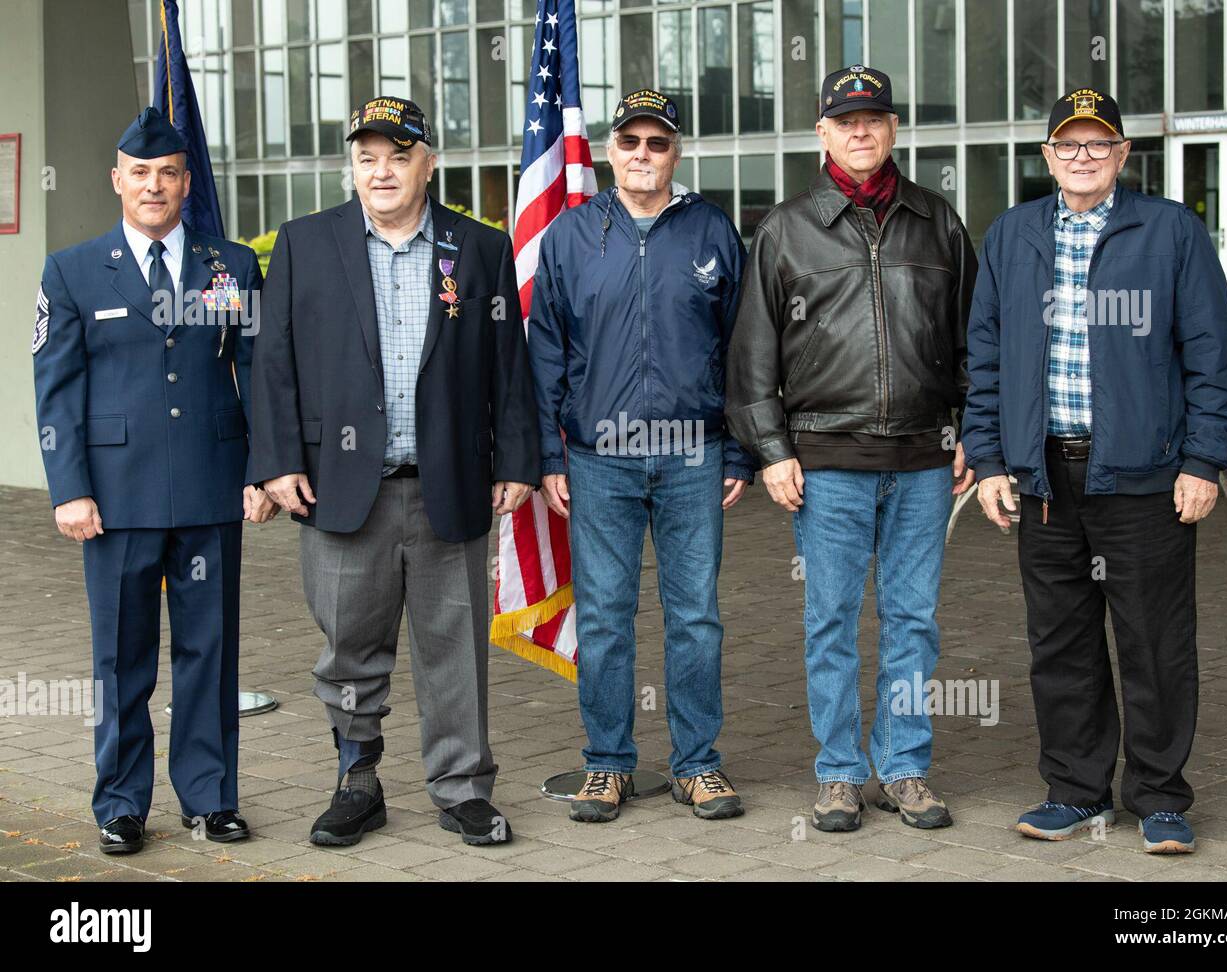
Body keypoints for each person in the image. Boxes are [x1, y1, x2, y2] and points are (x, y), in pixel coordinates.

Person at [249, 97, 540, 847]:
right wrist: (276, 463)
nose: (381, 171)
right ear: (353, 165)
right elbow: (273, 363)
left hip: (451, 482)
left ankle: (463, 787)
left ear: (428, 163)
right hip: (344, 489)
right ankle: (358, 779)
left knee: (456, 648)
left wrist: (517, 460)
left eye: (398, 155)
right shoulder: (306, 244)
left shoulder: (478, 249)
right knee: (350, 648)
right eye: (367, 157)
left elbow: (509, 368)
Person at [961, 88, 1227, 854]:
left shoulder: (1170, 231)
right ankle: (1077, 792)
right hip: (1047, 480)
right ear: (1048, 155)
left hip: (1145, 479)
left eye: (1098, 144)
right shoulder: (1012, 234)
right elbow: (983, 359)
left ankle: (1159, 796)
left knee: (1154, 641)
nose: (1082, 157)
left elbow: (1211, 358)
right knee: (1061, 644)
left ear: (1122, 154)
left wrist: (1204, 459)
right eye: (1068, 145)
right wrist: (988, 458)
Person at [727, 67, 977, 834]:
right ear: (823, 133)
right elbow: (752, 357)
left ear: (892, 129)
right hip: (825, 461)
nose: (861, 131)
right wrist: (772, 450)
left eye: (874, 118)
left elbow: (976, 342)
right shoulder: (784, 229)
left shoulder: (937, 222)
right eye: (846, 120)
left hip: (925, 462)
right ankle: (839, 774)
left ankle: (903, 768)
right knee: (829, 618)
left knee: (914, 620)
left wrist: (972, 431)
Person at [32, 107, 272, 855]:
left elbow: (260, 374)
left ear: (185, 181)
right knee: (120, 656)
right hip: (115, 496)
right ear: (117, 181)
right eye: (140, 173)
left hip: (210, 484)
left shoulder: (230, 265)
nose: (154, 186)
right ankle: (122, 803)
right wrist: (68, 488)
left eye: (168, 173)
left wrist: (263, 471)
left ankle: (210, 797)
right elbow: (57, 388)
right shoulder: (72, 270)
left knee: (211, 651)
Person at [527, 89, 753, 824]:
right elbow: (547, 353)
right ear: (608, 151)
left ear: (676, 153)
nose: (643, 156)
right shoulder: (569, 236)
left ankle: (697, 764)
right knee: (604, 617)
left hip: (694, 456)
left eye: (658, 144)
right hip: (600, 458)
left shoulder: (711, 230)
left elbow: (744, 349)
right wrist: (548, 455)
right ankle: (607, 764)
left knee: (695, 617)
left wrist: (741, 453)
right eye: (631, 143)